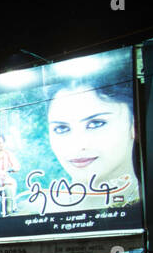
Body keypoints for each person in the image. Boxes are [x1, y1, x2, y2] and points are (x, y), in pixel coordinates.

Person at [45, 73, 139, 211]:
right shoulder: (34, 209)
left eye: (96, 124)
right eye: (61, 128)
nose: (76, 145)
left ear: (134, 126)